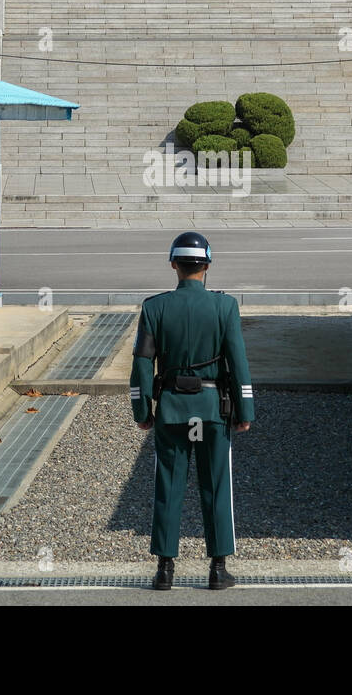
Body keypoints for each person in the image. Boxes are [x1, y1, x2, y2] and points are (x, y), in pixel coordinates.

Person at [130, 231, 254, 590]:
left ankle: (164, 570)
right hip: (212, 411)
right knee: (215, 486)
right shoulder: (224, 307)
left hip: (171, 409)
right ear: (207, 265)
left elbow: (142, 364)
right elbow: (238, 361)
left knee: (168, 485)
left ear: (173, 264)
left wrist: (142, 410)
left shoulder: (154, 308)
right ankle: (218, 569)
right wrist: (245, 410)